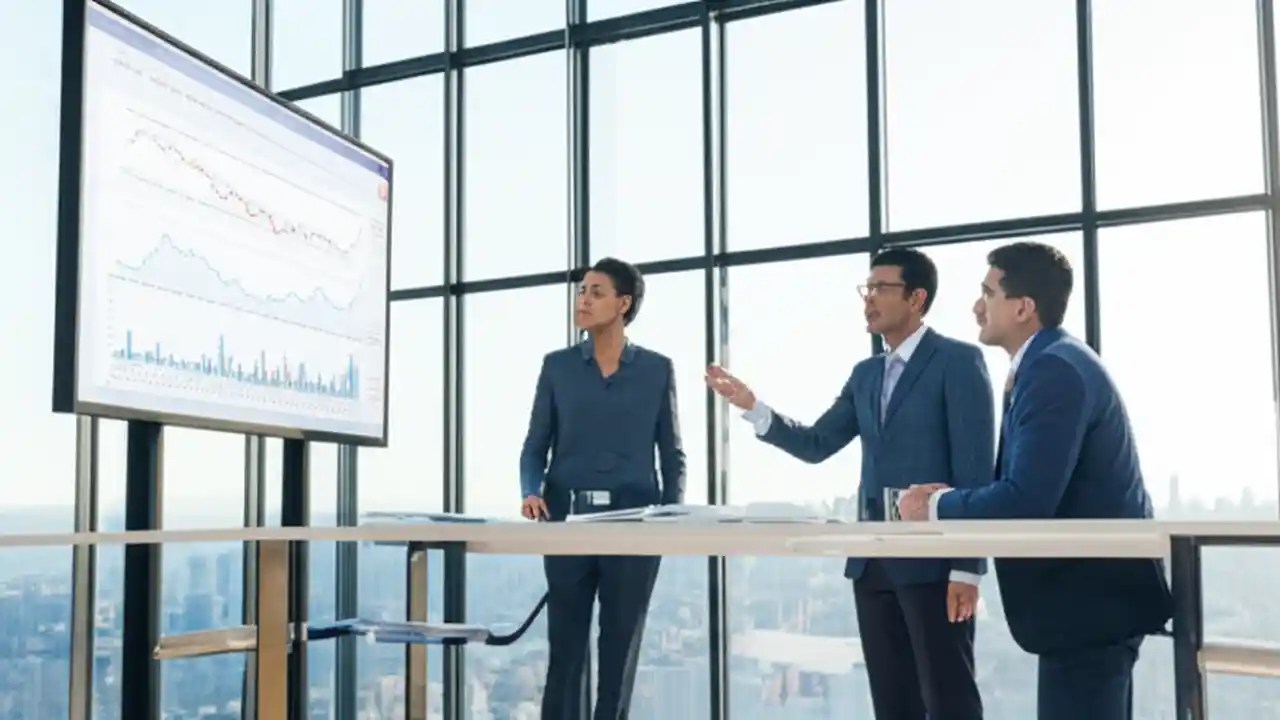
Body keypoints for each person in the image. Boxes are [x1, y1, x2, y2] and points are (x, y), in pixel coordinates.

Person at [706, 248, 993, 720]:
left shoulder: (958, 362)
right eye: (867, 289)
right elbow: (818, 443)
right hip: (871, 563)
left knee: (950, 701)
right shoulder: (866, 374)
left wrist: (968, 568)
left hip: (934, 565)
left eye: (882, 288)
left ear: (917, 297)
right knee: (892, 704)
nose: (869, 299)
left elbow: (975, 470)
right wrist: (754, 407)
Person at [897, 241, 1173, 720]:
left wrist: (936, 507)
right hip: (1088, 607)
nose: (976, 305)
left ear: (1023, 307)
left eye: (988, 293)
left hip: (1093, 606)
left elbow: (1026, 498)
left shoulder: (1053, 370)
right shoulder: (1051, 362)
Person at [519, 257, 685, 719]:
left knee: (619, 654)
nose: (583, 300)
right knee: (565, 654)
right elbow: (535, 447)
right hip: (566, 521)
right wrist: (530, 491)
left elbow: (672, 455)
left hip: (636, 526)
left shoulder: (657, 369)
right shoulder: (557, 367)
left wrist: (673, 517)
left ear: (623, 303)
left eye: (595, 292)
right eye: (581, 291)